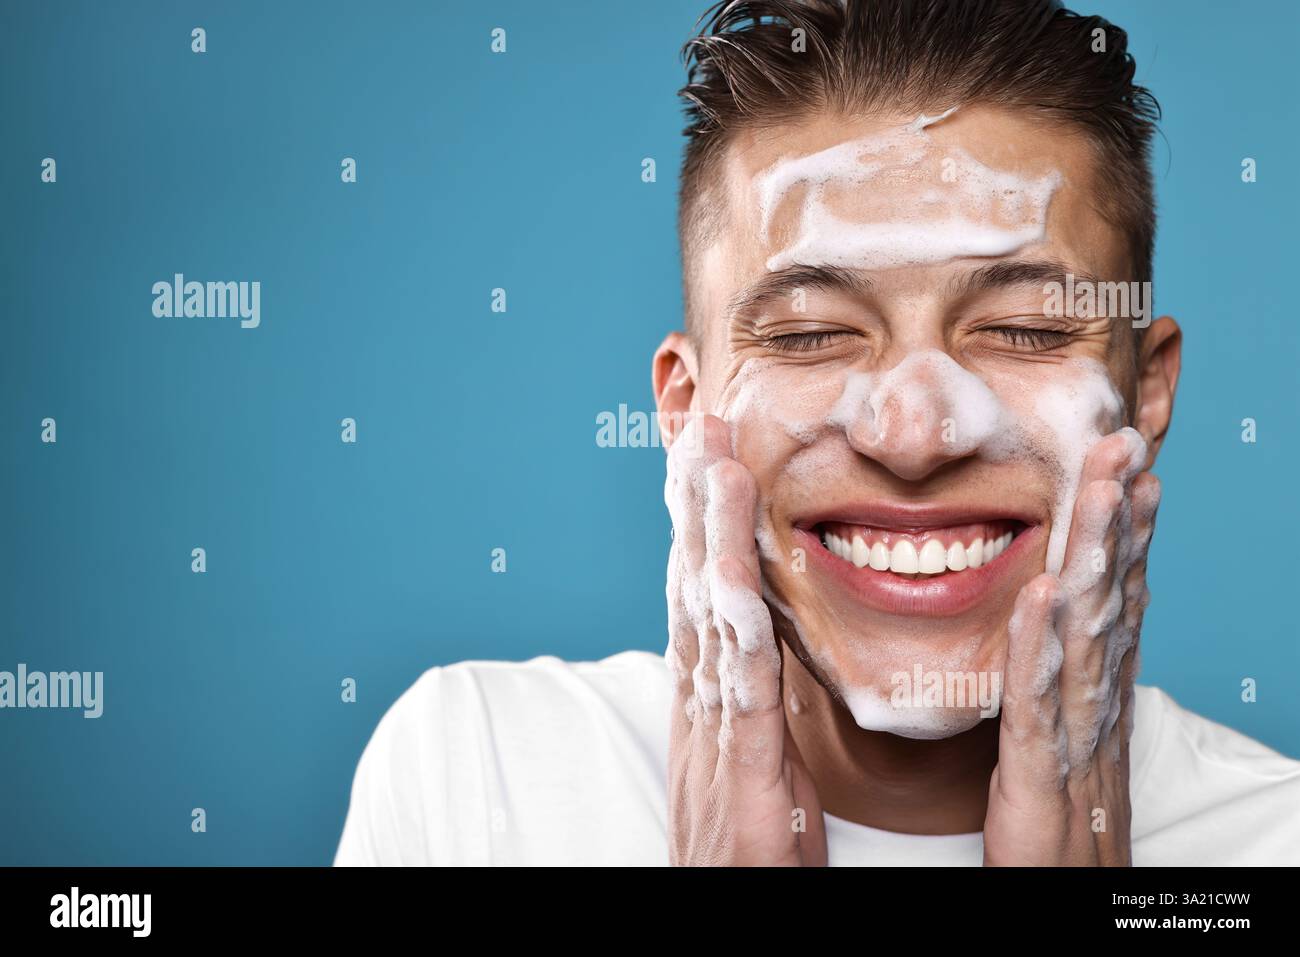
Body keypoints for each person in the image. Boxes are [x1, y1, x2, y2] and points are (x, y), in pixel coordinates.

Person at [334, 0, 1300, 866]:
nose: (916, 434)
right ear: (683, 409)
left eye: (1026, 329)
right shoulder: (474, 781)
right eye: (807, 334)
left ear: (1149, 390)